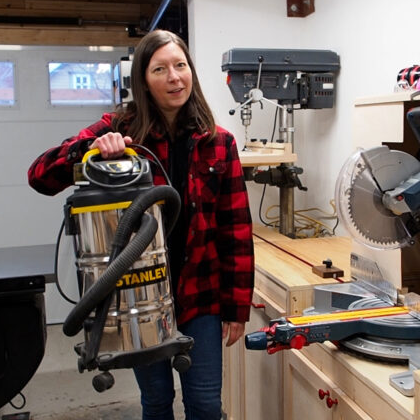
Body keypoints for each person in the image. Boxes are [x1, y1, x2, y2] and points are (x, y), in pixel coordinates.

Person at [27, 29, 254, 420]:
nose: (174, 78)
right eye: (160, 69)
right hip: (139, 298)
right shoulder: (120, 129)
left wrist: (237, 307)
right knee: (156, 402)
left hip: (201, 295)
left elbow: (235, 230)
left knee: (205, 404)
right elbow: (40, 176)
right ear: (143, 81)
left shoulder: (218, 142)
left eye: (180, 66)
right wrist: (90, 148)